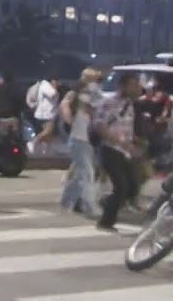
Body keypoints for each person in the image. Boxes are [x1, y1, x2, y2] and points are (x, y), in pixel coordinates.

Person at [91, 72, 144, 233]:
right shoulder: (109, 102)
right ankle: (106, 221)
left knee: (132, 186)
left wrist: (134, 142)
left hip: (123, 151)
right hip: (110, 149)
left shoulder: (130, 104)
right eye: (133, 85)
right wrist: (122, 143)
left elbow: (126, 127)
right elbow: (100, 126)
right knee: (121, 186)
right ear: (123, 86)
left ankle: (107, 203)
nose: (137, 88)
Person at [59, 67, 103, 217]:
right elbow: (65, 105)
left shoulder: (95, 96)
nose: (95, 82)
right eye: (92, 79)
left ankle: (67, 200)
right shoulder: (77, 95)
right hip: (79, 139)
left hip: (88, 139)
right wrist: (69, 119)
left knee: (82, 173)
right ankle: (89, 206)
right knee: (87, 173)